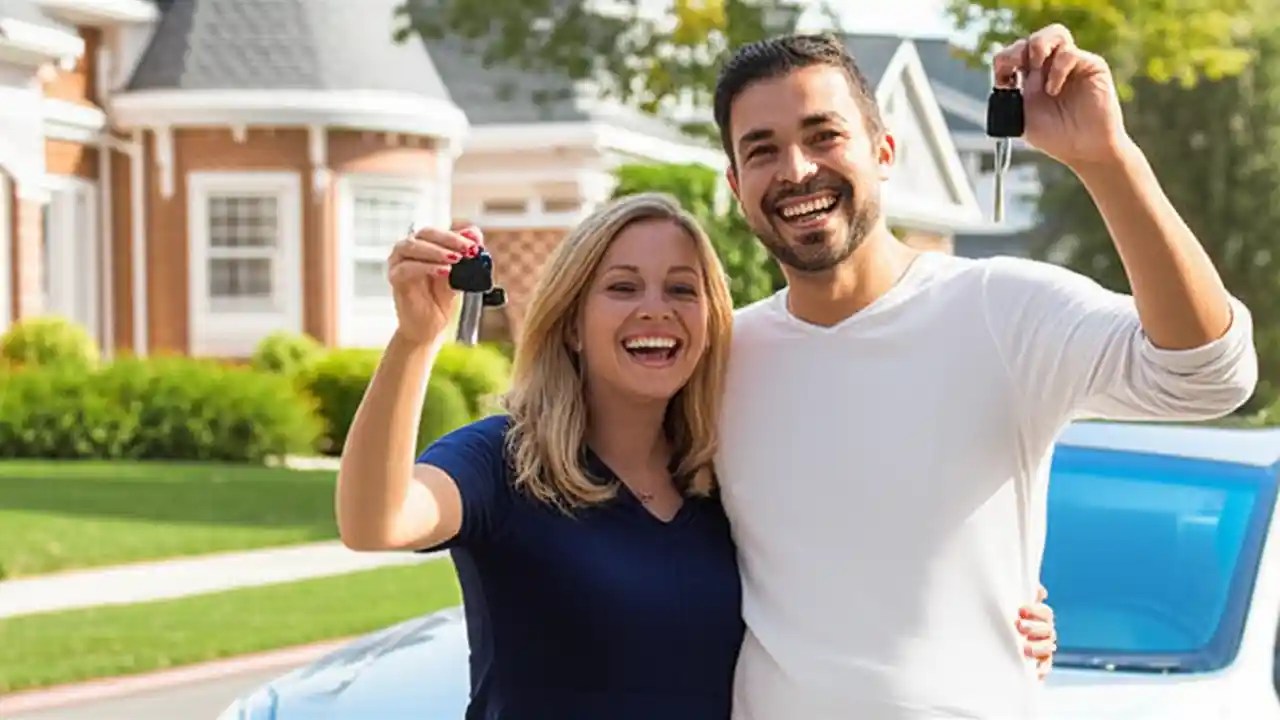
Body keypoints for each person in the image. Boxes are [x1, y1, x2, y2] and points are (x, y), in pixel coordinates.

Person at [335, 192, 1059, 719]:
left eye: (682, 290)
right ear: (574, 325)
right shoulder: (504, 461)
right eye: (622, 288)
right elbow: (378, 520)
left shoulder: (731, 477)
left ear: (710, 323)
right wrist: (415, 341)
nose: (656, 308)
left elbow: (857, 574)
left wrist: (995, 616)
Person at [710, 25, 1259, 720]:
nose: (795, 170)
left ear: (884, 152)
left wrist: (1106, 157)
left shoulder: (1000, 309)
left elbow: (1209, 375)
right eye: (763, 150)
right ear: (736, 184)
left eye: (824, 136)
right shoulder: (719, 360)